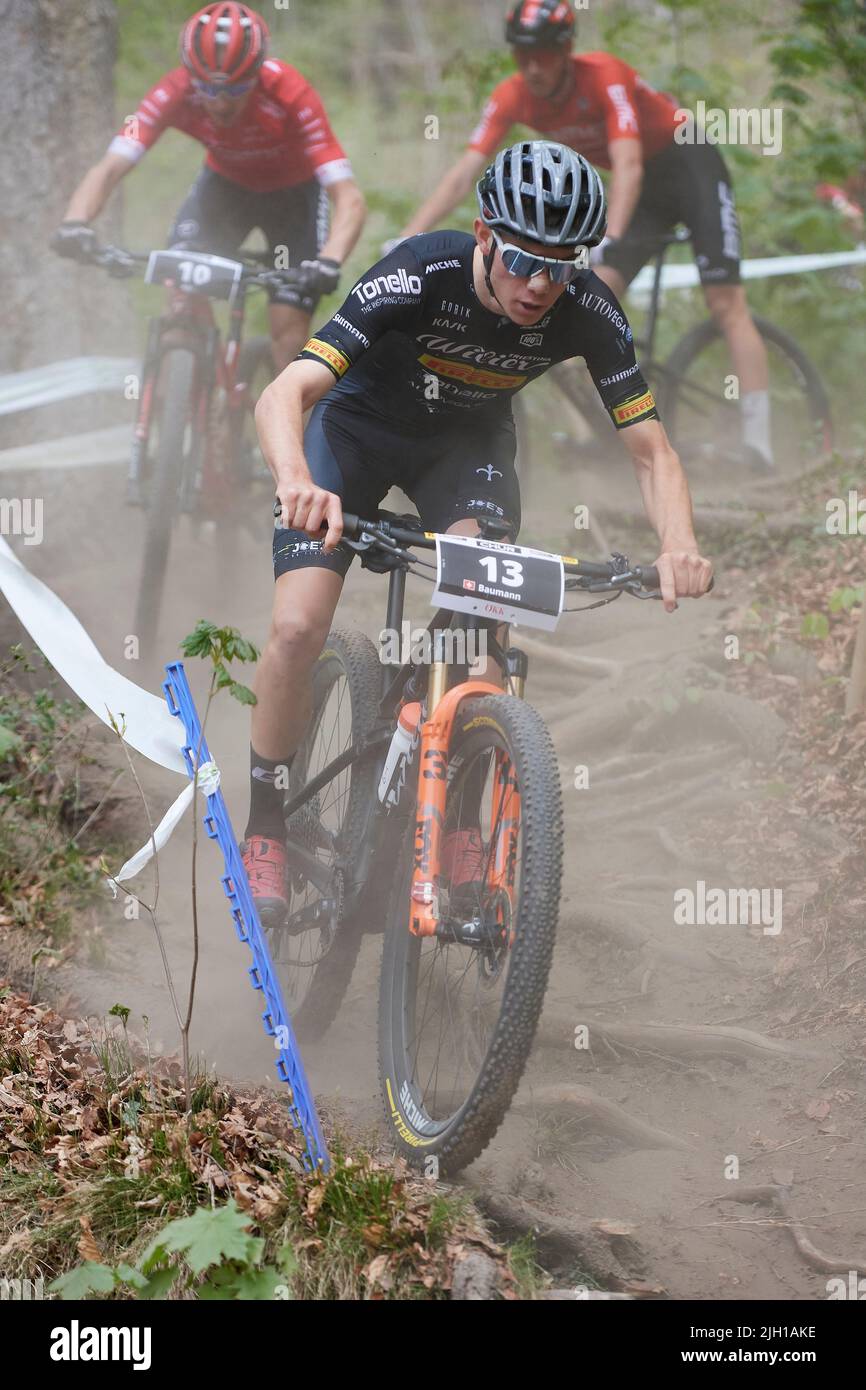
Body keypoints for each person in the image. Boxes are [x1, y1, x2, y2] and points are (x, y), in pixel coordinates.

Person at [242, 138, 713, 921]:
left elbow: (650, 449)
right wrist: (296, 482)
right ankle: (264, 816)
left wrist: (679, 545)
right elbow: (285, 391)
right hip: (354, 433)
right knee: (297, 626)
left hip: (465, 450)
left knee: (482, 610)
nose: (539, 286)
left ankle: (460, 809)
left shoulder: (588, 309)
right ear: (485, 234)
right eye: (525, 259)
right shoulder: (418, 271)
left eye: (561, 267)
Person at [393, 0, 774, 472]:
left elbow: (629, 162)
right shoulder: (513, 94)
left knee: (724, 302)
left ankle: (761, 443)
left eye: (544, 55)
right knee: (580, 296)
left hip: (688, 165)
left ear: (568, 49)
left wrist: (608, 237)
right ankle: (601, 432)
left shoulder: (604, 75)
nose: (532, 68)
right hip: (641, 194)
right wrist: (408, 236)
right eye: (522, 55)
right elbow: (465, 172)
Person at [52, 2, 366, 374]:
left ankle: (292, 425)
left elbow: (348, 196)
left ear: (257, 74)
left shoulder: (289, 91)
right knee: (181, 306)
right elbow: (111, 166)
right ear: (189, 76)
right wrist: (76, 222)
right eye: (206, 88)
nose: (219, 101)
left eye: (236, 88)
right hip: (225, 192)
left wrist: (329, 262)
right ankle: (194, 397)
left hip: (293, 200)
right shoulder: (173, 91)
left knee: (288, 332)